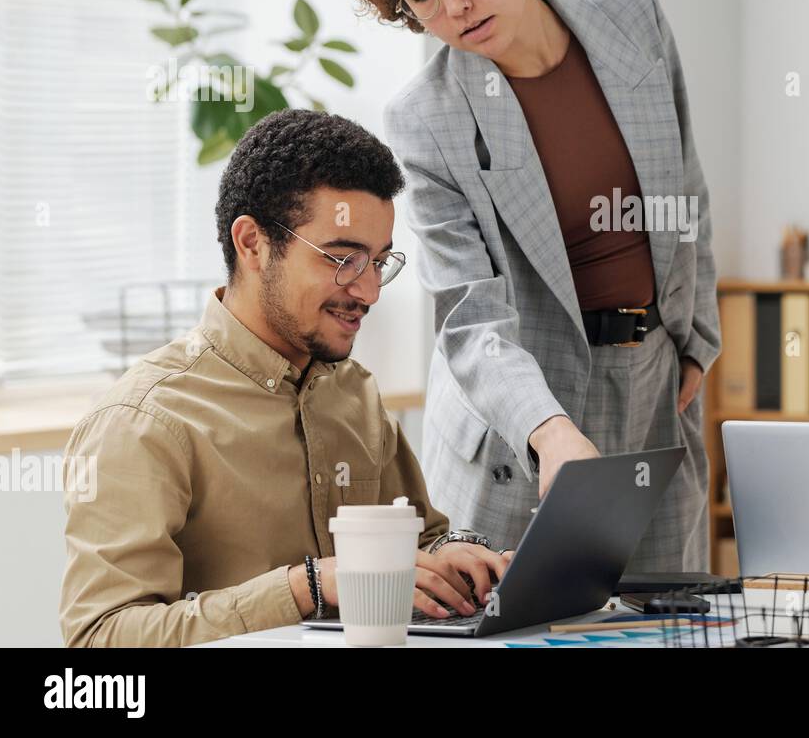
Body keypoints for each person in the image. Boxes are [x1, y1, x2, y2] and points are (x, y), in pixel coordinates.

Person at [346, 0, 721, 571]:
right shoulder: (425, 118)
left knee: (669, 621)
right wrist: (548, 431)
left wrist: (698, 336)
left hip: (653, 390)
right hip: (518, 423)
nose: (452, 6)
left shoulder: (629, 11)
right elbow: (471, 316)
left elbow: (686, 189)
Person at [60, 109, 509, 647]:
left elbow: (420, 538)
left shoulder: (354, 391)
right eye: (343, 259)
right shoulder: (142, 421)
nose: (369, 292)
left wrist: (450, 559)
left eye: (379, 262)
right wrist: (307, 587)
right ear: (252, 243)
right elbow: (99, 638)